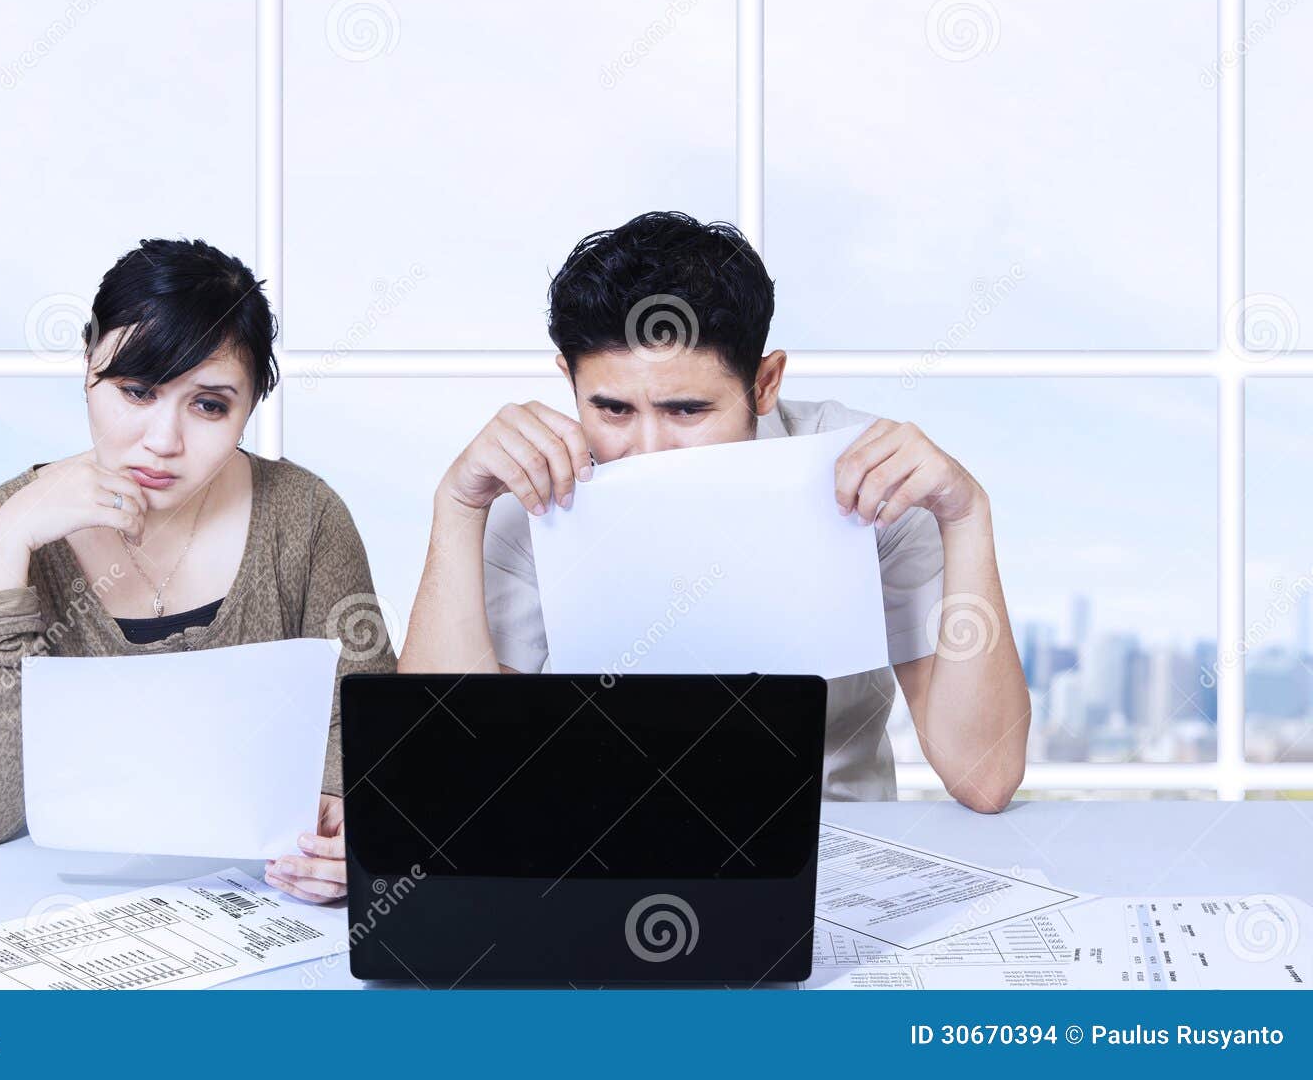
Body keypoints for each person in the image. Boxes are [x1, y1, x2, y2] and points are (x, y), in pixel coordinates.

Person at [399, 211, 1029, 811]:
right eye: (613, 409)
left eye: (686, 410)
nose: (647, 451)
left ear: (765, 383)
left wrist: (966, 514)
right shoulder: (537, 488)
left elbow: (986, 777)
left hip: (832, 847)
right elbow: (445, 774)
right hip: (601, 847)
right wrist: (457, 506)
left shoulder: (875, 476)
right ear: (568, 380)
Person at [0, 238, 387, 901]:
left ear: (252, 402)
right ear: (88, 363)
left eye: (208, 405)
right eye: (137, 390)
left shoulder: (306, 517)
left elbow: (366, 753)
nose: (163, 441)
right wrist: (6, 547)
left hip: (268, 909)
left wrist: (340, 834)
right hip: (53, 908)